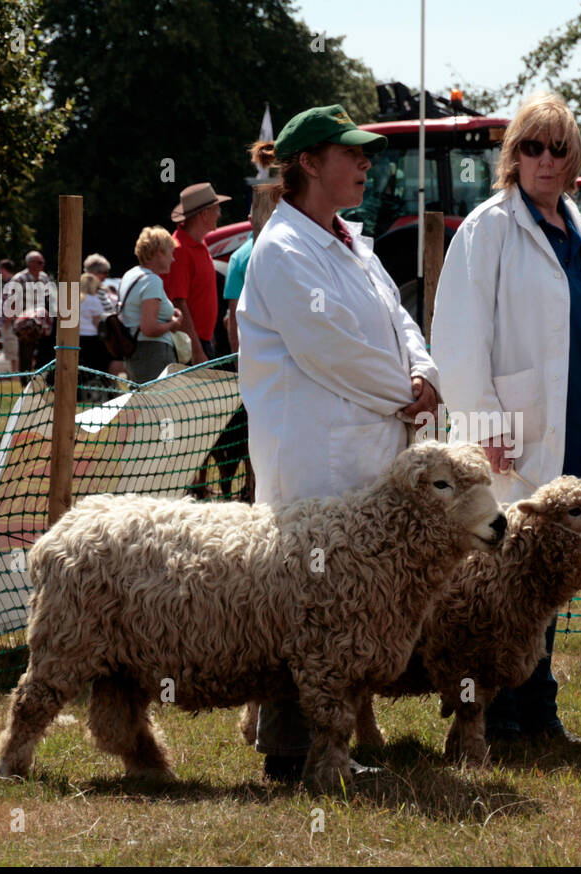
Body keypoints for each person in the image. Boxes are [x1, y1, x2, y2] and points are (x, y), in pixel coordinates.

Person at [238, 104, 440, 782]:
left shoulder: (355, 242)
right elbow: (332, 350)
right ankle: (291, 754)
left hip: (367, 447)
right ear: (307, 164)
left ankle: (334, 749)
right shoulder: (284, 250)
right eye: (349, 153)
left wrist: (424, 370)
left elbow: (400, 321)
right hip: (313, 456)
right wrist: (406, 392)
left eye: (364, 154)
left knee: (349, 602)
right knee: (308, 604)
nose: (364, 164)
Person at [432, 91, 581, 745]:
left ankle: (538, 706)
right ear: (511, 155)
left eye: (558, 148)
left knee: (548, 576)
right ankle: (495, 711)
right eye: (531, 147)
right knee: (502, 581)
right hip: (511, 439)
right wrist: (486, 426)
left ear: (573, 161)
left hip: (572, 430)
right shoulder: (488, 228)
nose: (545, 160)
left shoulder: (579, 229)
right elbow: (459, 338)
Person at [164, 182, 227, 363]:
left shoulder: (198, 243)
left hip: (201, 341)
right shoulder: (180, 250)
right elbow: (179, 303)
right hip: (189, 345)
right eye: (217, 209)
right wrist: (196, 351)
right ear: (204, 214)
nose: (220, 214)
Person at [118, 227, 184, 383]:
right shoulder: (152, 280)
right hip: (152, 355)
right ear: (159, 252)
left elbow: (137, 310)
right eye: (170, 252)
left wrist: (167, 311)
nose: (173, 259)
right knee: (160, 406)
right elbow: (149, 328)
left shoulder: (131, 275)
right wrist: (172, 324)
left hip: (135, 355)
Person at [222, 190, 278, 355]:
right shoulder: (293, 251)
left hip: (254, 351)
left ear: (250, 220)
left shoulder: (238, 258)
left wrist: (235, 356)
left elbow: (234, 316)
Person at [3, 250, 56, 373]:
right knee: (26, 351)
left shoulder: (44, 277)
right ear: (30, 263)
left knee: (44, 350)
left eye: (42, 262)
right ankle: (25, 379)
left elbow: (50, 297)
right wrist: (9, 320)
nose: (42, 265)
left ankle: (42, 376)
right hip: (25, 322)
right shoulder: (19, 279)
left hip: (43, 321)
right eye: (39, 262)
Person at [0, 258, 19, 372]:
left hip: (10, 324)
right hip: (9, 323)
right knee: (12, 353)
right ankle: (16, 376)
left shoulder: (12, 284)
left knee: (13, 352)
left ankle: (16, 377)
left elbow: (13, 304)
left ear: (3, 270)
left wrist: (7, 322)